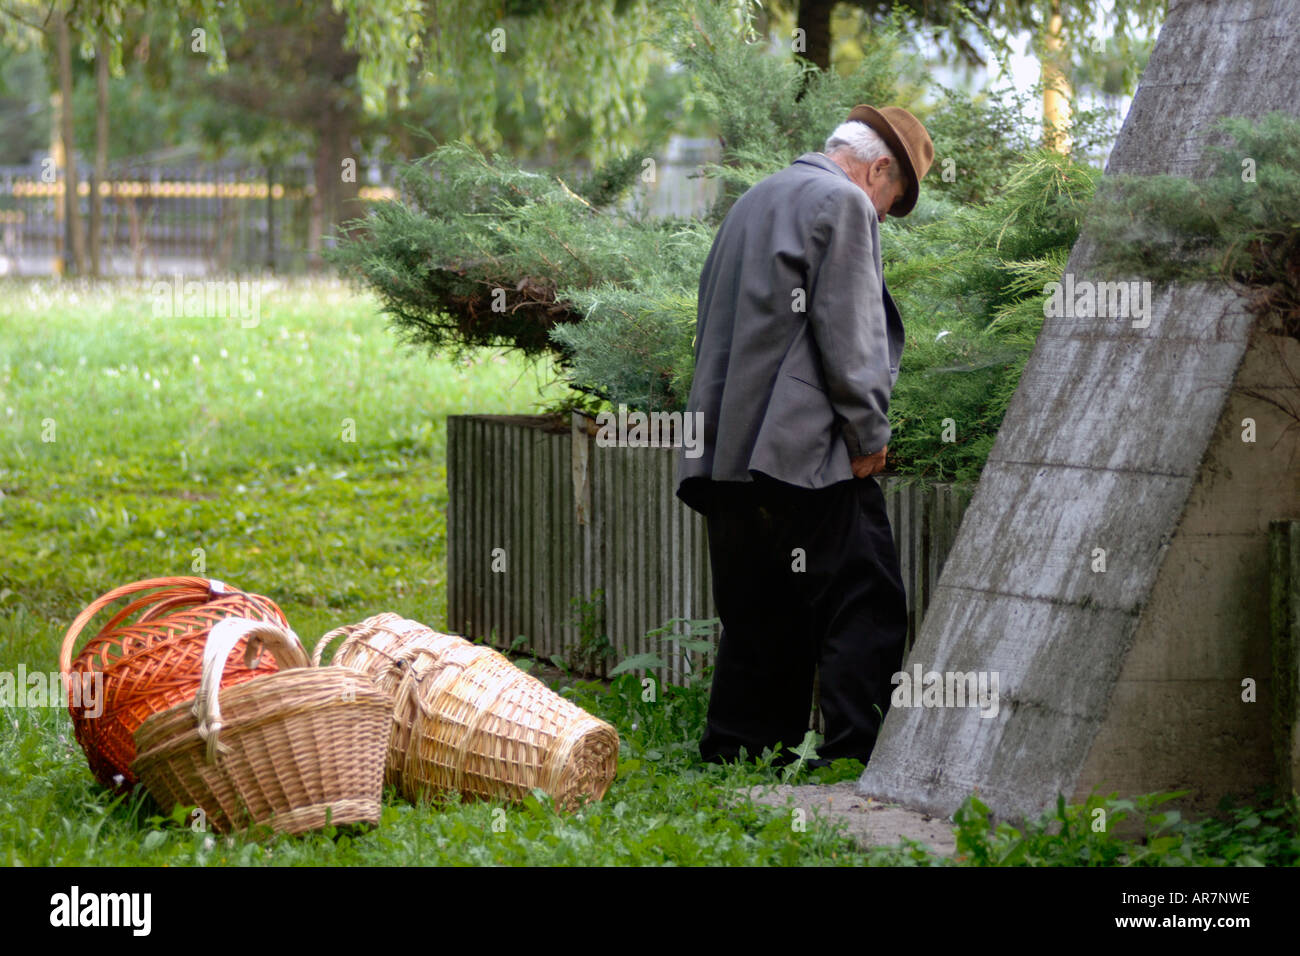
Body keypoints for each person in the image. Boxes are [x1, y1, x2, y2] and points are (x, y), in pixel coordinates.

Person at [675, 105, 934, 768]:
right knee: (866, 597)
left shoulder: (753, 200)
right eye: (890, 200)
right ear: (877, 169)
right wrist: (868, 431)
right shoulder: (843, 202)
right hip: (803, 452)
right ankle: (853, 754)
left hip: (726, 452)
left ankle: (740, 751)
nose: (879, 216)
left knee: (759, 608)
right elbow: (850, 335)